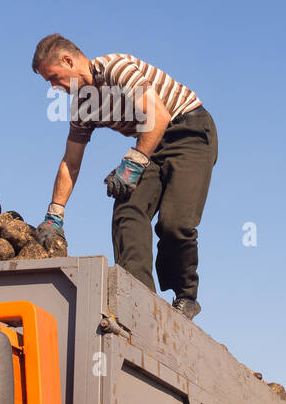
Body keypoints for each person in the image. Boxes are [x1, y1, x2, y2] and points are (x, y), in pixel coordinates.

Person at [32, 35, 217, 319]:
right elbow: (71, 162)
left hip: (188, 129)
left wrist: (133, 163)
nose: (54, 87)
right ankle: (139, 299)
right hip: (152, 143)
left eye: (54, 78)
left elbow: (158, 115)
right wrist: (55, 213)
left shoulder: (115, 68)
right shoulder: (83, 106)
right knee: (128, 210)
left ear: (68, 61)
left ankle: (186, 295)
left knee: (174, 223)